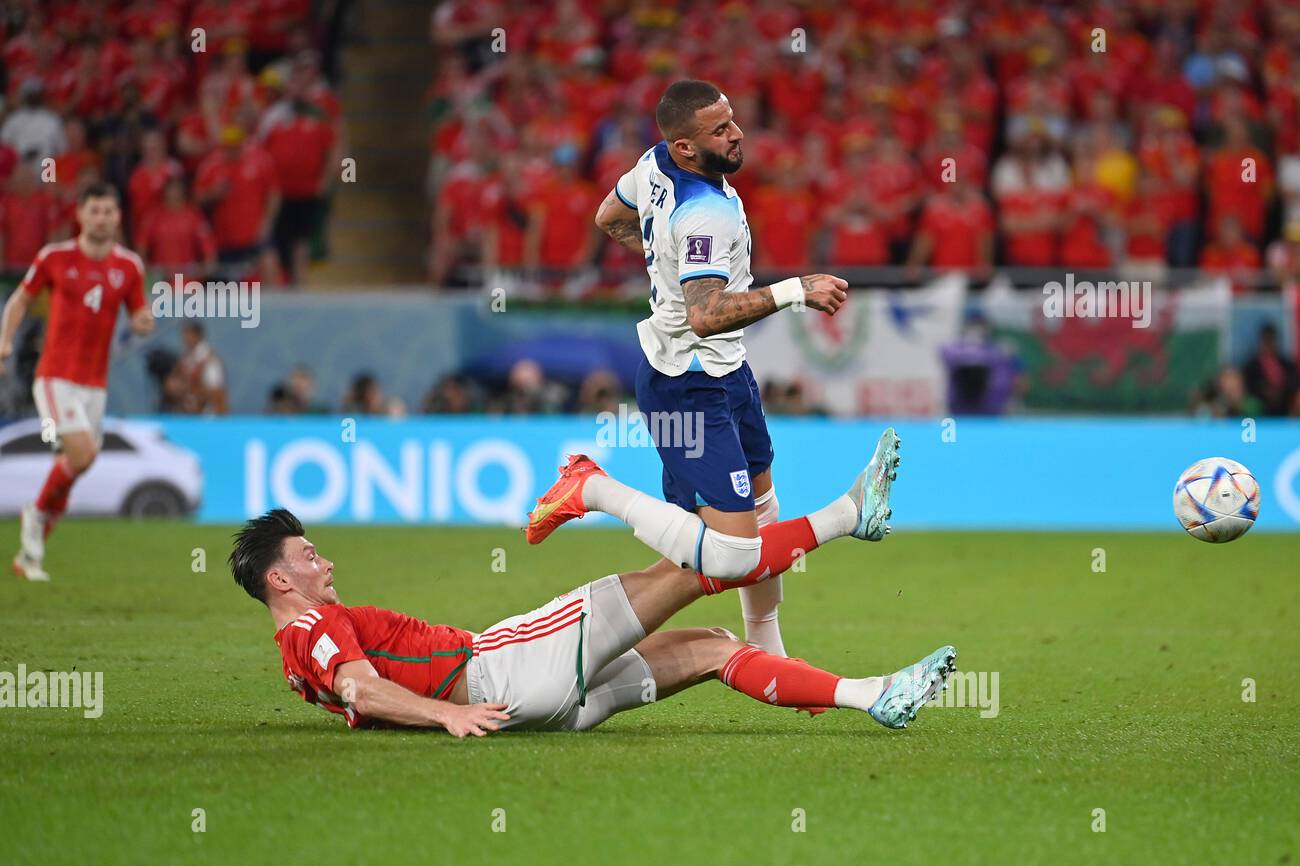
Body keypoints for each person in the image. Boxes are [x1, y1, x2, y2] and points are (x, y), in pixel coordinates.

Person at [229, 447, 954, 736]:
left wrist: (432, 713)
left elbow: (353, 696)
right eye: (308, 555)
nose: (324, 562)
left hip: (538, 708)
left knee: (711, 648)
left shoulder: (296, 653)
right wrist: (445, 717)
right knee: (695, 571)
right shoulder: (314, 629)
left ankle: (873, 695)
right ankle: (849, 516)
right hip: (501, 669)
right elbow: (361, 691)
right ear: (279, 579)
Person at [592, 78, 885, 662]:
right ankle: (595, 491)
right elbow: (703, 316)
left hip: (728, 371)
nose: (737, 133)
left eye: (733, 119)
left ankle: (766, 649)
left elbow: (608, 217)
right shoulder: (704, 214)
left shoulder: (653, 165)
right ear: (684, 148)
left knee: (760, 511)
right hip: (686, 384)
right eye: (720, 129)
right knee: (731, 552)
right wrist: (793, 291)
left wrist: (660, 259)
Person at [0, 183, 153, 581]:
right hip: (54, 377)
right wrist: (4, 341)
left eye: (108, 211)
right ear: (81, 215)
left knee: (74, 465)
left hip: (94, 385)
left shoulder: (130, 266)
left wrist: (142, 322)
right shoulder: (54, 257)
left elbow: (139, 314)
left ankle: (30, 555)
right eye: (95, 211)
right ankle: (34, 514)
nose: (102, 218)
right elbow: (19, 300)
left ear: (118, 217)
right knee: (82, 455)